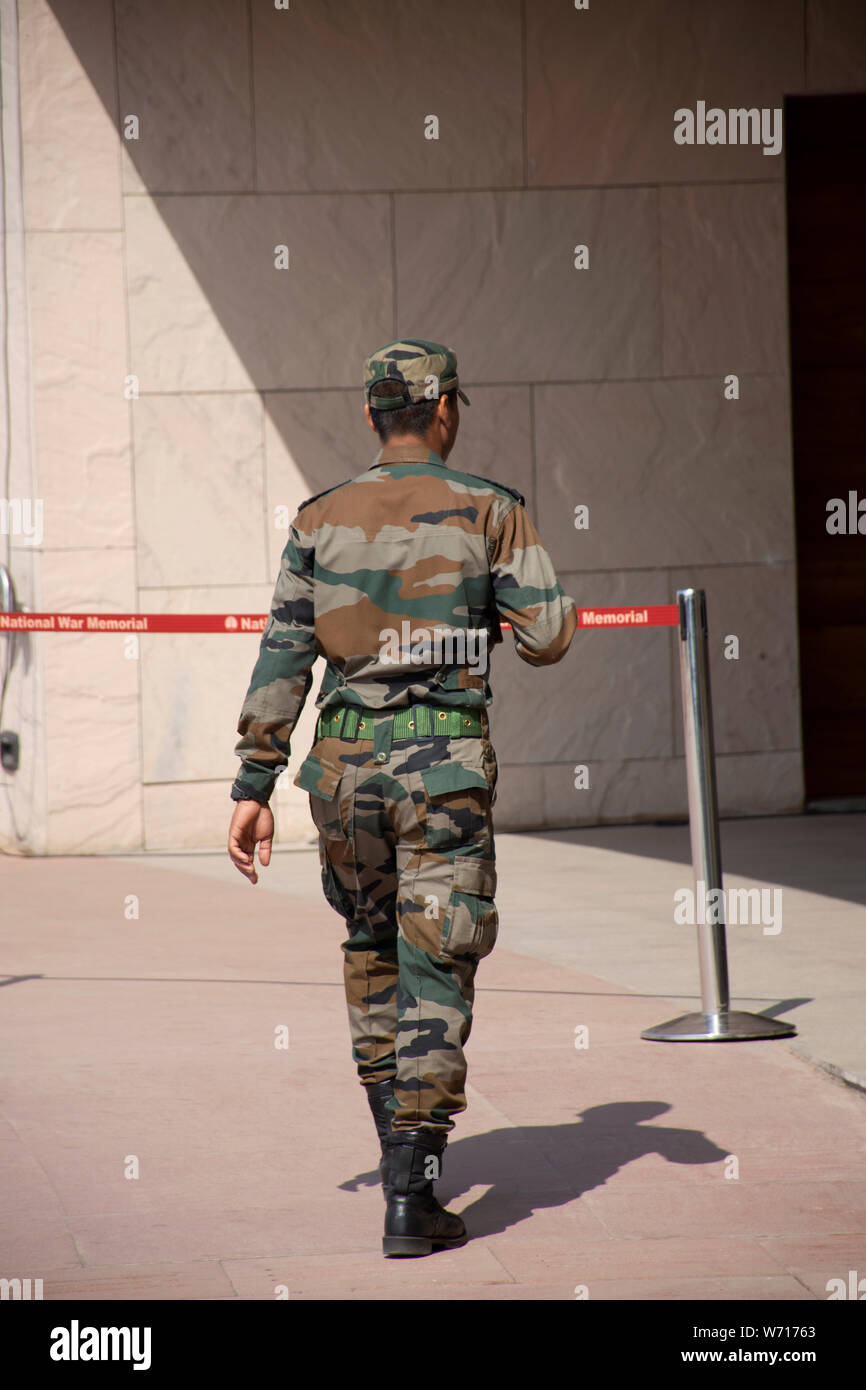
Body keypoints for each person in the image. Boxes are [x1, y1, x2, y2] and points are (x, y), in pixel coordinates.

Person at [227, 338, 576, 1257]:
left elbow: (283, 654)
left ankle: (396, 1163)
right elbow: (549, 638)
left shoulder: (319, 515)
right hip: (443, 772)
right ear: (446, 407)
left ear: (375, 417)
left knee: (373, 948)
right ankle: (413, 1196)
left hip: (341, 776)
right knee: (437, 963)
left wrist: (253, 783)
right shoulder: (490, 510)